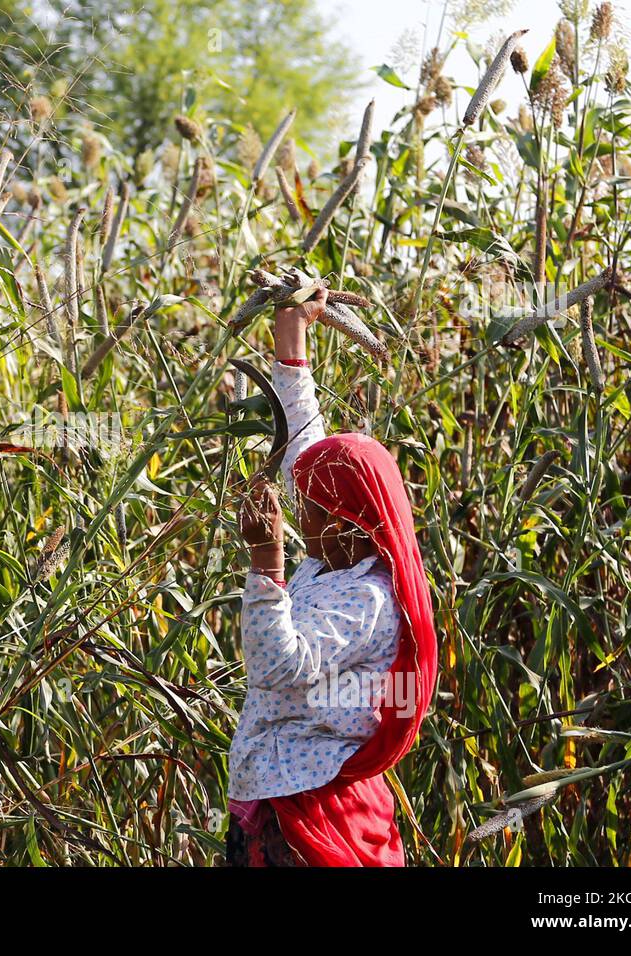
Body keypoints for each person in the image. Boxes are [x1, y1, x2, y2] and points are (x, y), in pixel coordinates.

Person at [225, 288, 438, 867]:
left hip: (310, 816)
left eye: (312, 510)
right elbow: (305, 446)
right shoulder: (333, 557)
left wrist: (267, 564)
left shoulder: (364, 599)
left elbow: (278, 666)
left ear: (350, 523)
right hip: (280, 792)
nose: (299, 517)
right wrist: (291, 336)